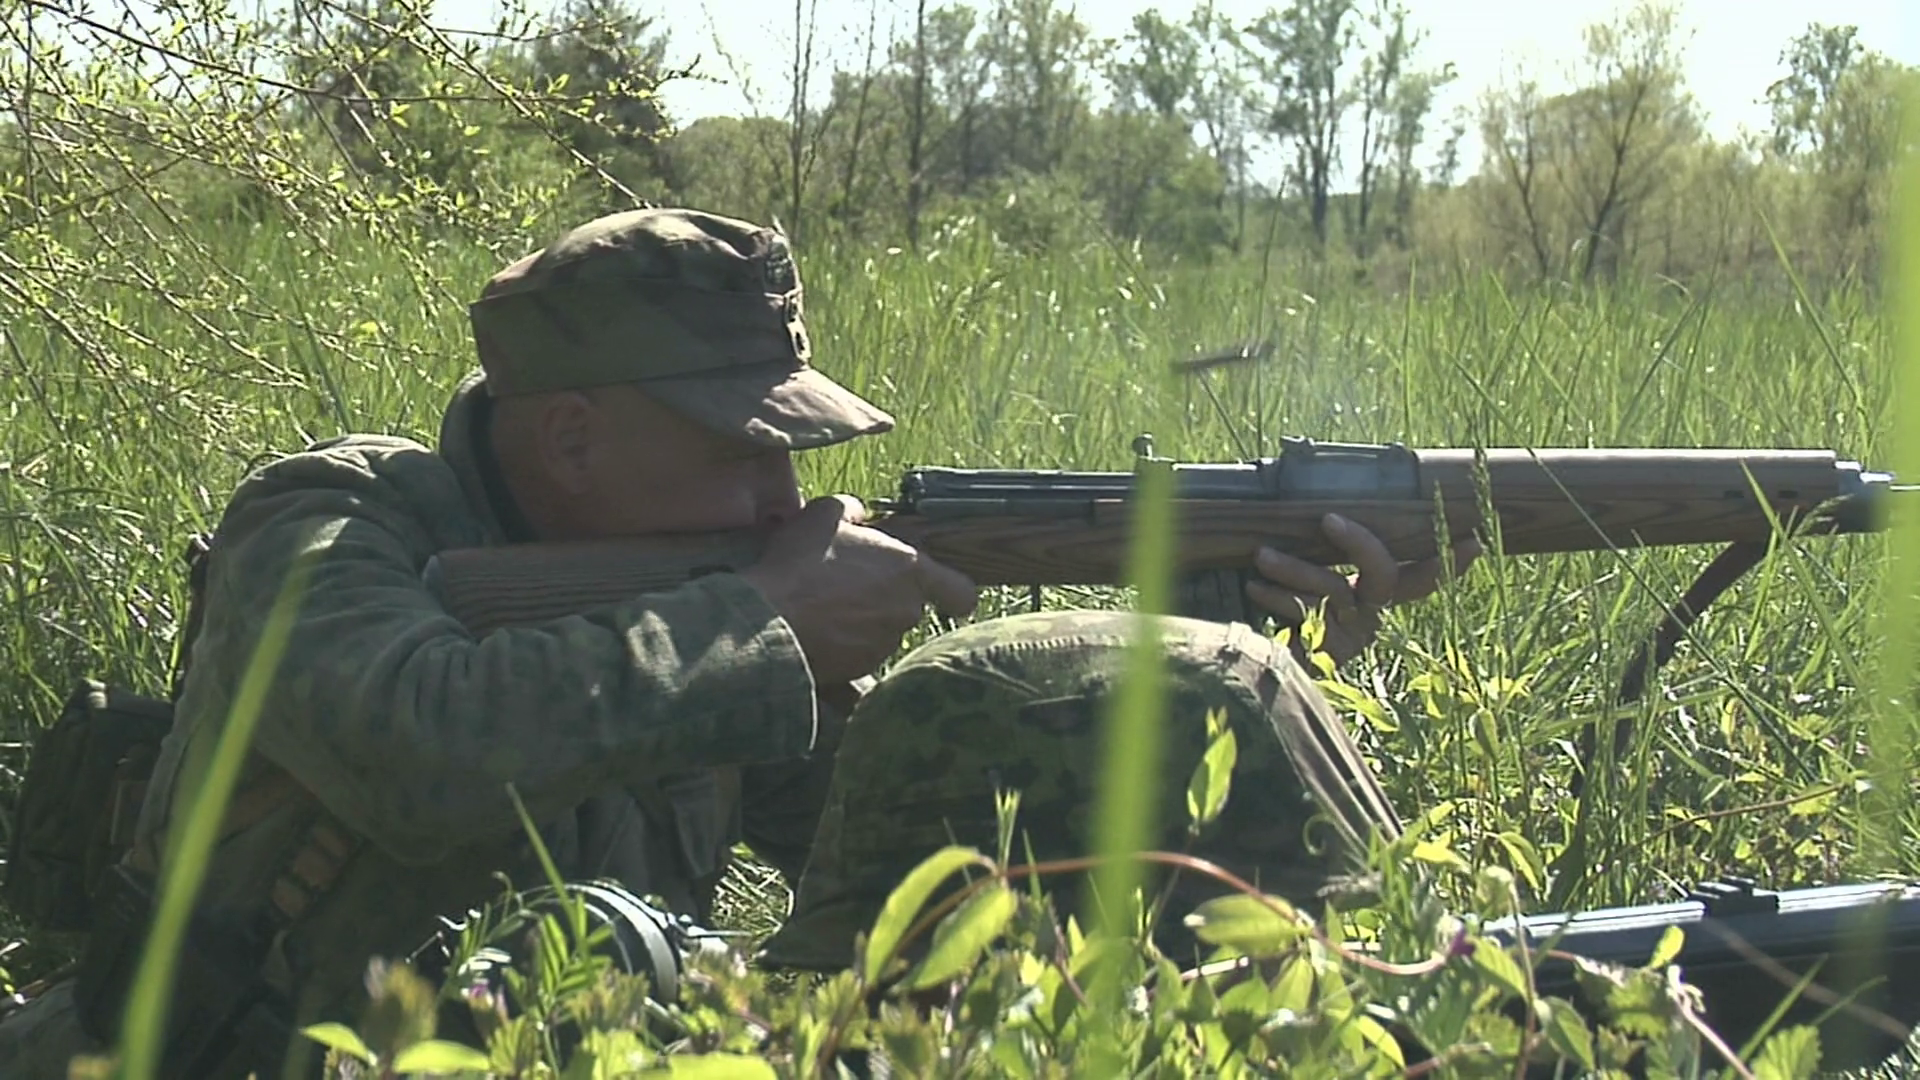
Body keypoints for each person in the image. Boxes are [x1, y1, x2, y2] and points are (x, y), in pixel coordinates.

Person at [0, 207, 1478, 1078]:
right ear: (569, 438)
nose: (787, 491)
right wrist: (760, 622)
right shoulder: (334, 520)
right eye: (744, 448)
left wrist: (1264, 654)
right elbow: (414, 738)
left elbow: (925, 842)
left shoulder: (707, 593)